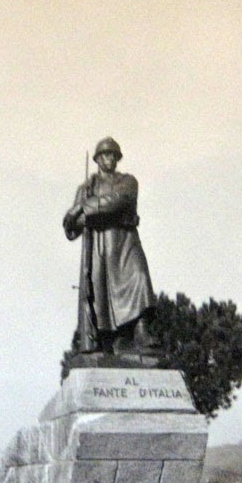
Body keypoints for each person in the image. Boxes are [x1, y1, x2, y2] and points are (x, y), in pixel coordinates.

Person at [63, 137, 159, 354]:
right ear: (97, 159)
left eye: (113, 155)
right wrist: (75, 216)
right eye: (105, 155)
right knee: (101, 297)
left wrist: (82, 208)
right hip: (101, 247)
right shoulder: (87, 187)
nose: (109, 159)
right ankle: (113, 342)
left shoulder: (128, 181)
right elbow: (72, 228)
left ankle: (141, 331)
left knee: (140, 277)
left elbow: (119, 201)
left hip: (125, 242)